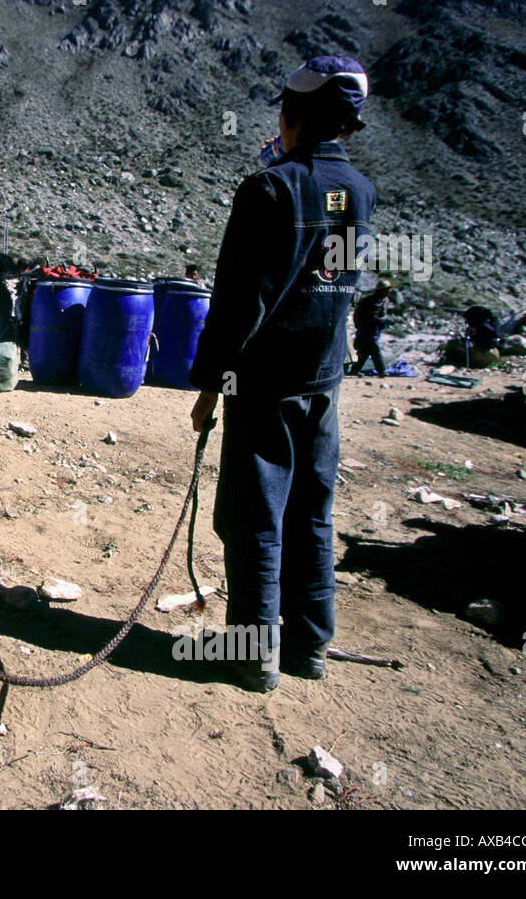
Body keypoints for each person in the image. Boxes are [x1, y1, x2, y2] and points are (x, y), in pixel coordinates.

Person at [187, 55, 376, 692]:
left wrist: (210, 386)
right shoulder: (360, 192)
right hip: (324, 385)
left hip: (264, 386)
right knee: (312, 510)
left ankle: (253, 655)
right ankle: (309, 646)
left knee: (255, 516)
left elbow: (240, 304)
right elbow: (336, 288)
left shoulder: (268, 189)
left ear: (294, 116)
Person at [349, 280, 392, 375]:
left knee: (365, 352)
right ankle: (382, 371)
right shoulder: (368, 301)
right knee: (375, 350)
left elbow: (382, 314)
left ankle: (355, 370)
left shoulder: (384, 301)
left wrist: (382, 321)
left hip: (375, 329)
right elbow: (360, 315)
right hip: (366, 329)